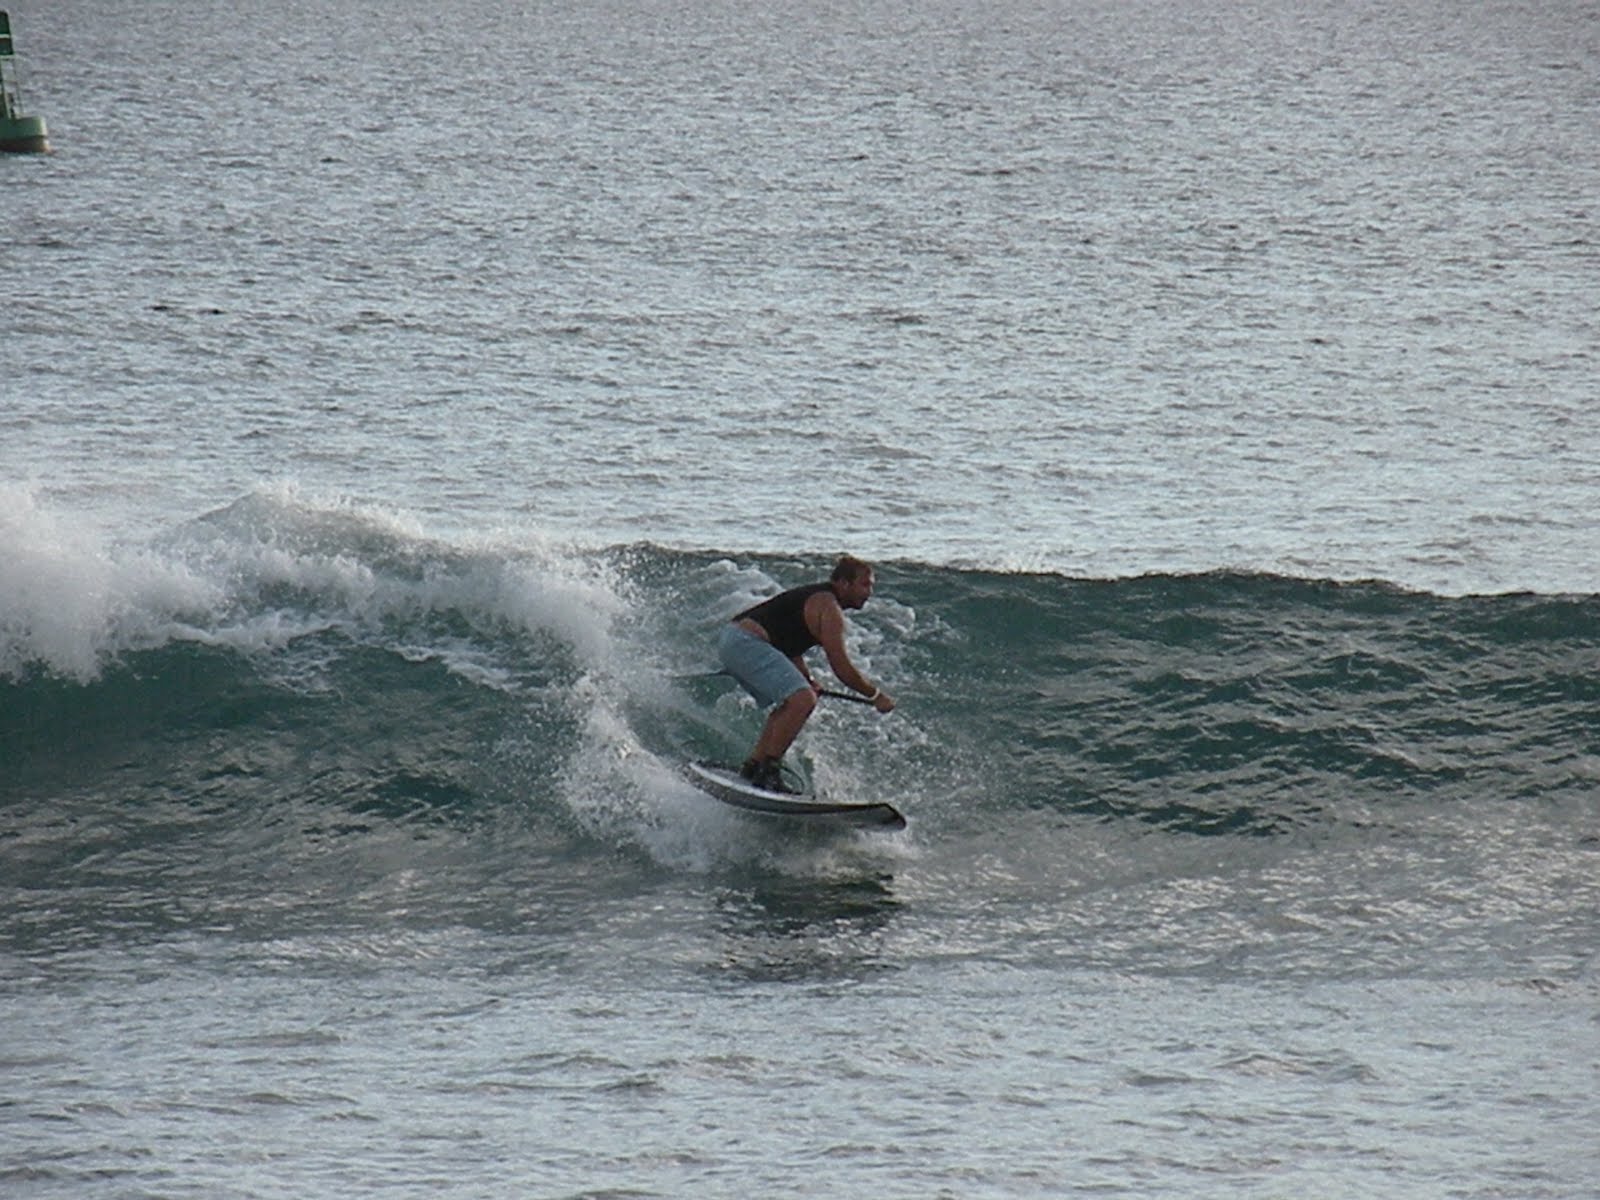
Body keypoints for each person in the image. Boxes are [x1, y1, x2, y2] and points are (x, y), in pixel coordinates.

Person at [716, 555, 895, 793]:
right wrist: (875, 695)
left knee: (795, 700)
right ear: (843, 583)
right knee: (802, 700)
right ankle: (768, 773)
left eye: (871, 585)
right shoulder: (829, 609)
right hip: (744, 642)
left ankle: (754, 766)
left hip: (735, 639)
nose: (869, 592)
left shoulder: (818, 599)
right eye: (864, 584)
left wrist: (807, 680)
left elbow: (788, 645)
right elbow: (841, 668)